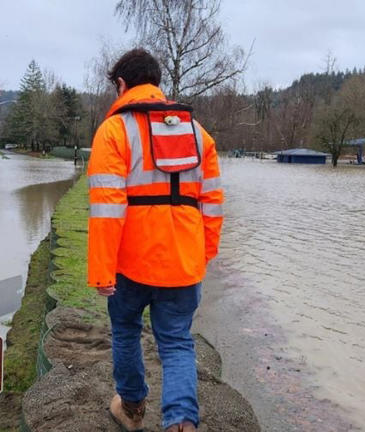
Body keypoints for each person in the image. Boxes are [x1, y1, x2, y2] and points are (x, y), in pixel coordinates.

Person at [87, 49, 224, 432]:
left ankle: (131, 408)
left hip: (131, 264)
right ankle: (181, 422)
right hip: (183, 263)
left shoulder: (114, 131)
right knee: (178, 342)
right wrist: (202, 255)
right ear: (157, 84)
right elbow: (212, 205)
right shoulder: (199, 135)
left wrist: (102, 271)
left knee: (126, 331)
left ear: (121, 85)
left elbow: (107, 208)